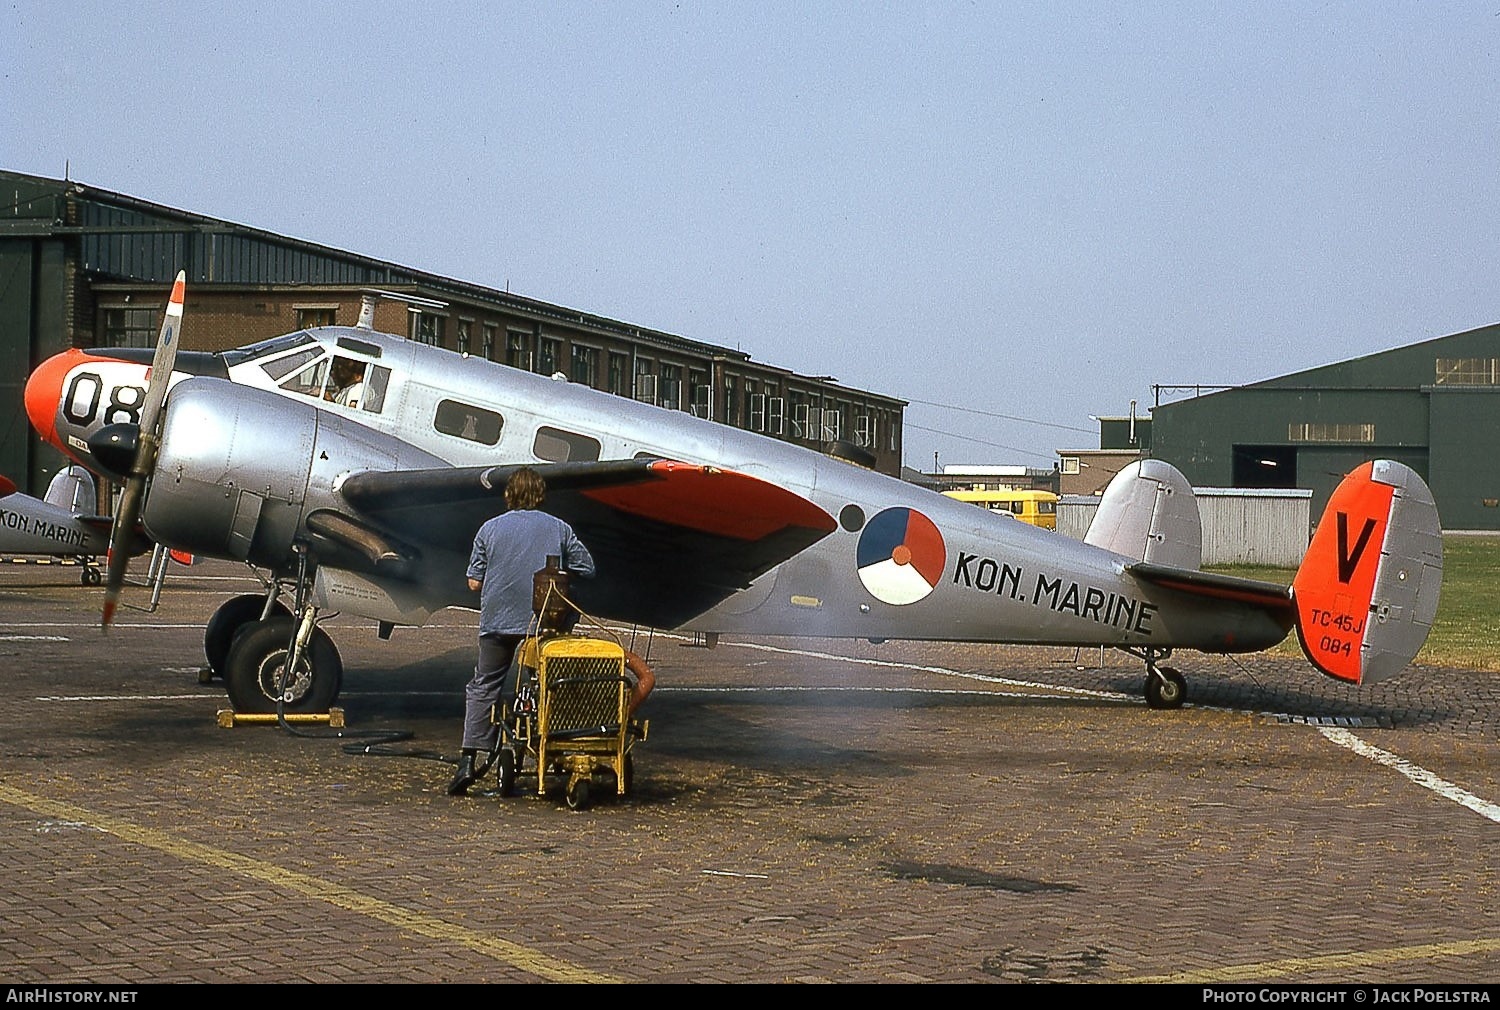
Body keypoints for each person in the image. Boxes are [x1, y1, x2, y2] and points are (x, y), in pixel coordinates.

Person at [448, 467, 595, 796]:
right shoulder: (559, 528)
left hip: (497, 622)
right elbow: (588, 567)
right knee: (543, 684)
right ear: (541, 495)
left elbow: (474, 583)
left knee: (484, 684)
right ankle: (543, 746)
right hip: (542, 623)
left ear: (508, 496)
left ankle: (468, 760)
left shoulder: (489, 529)